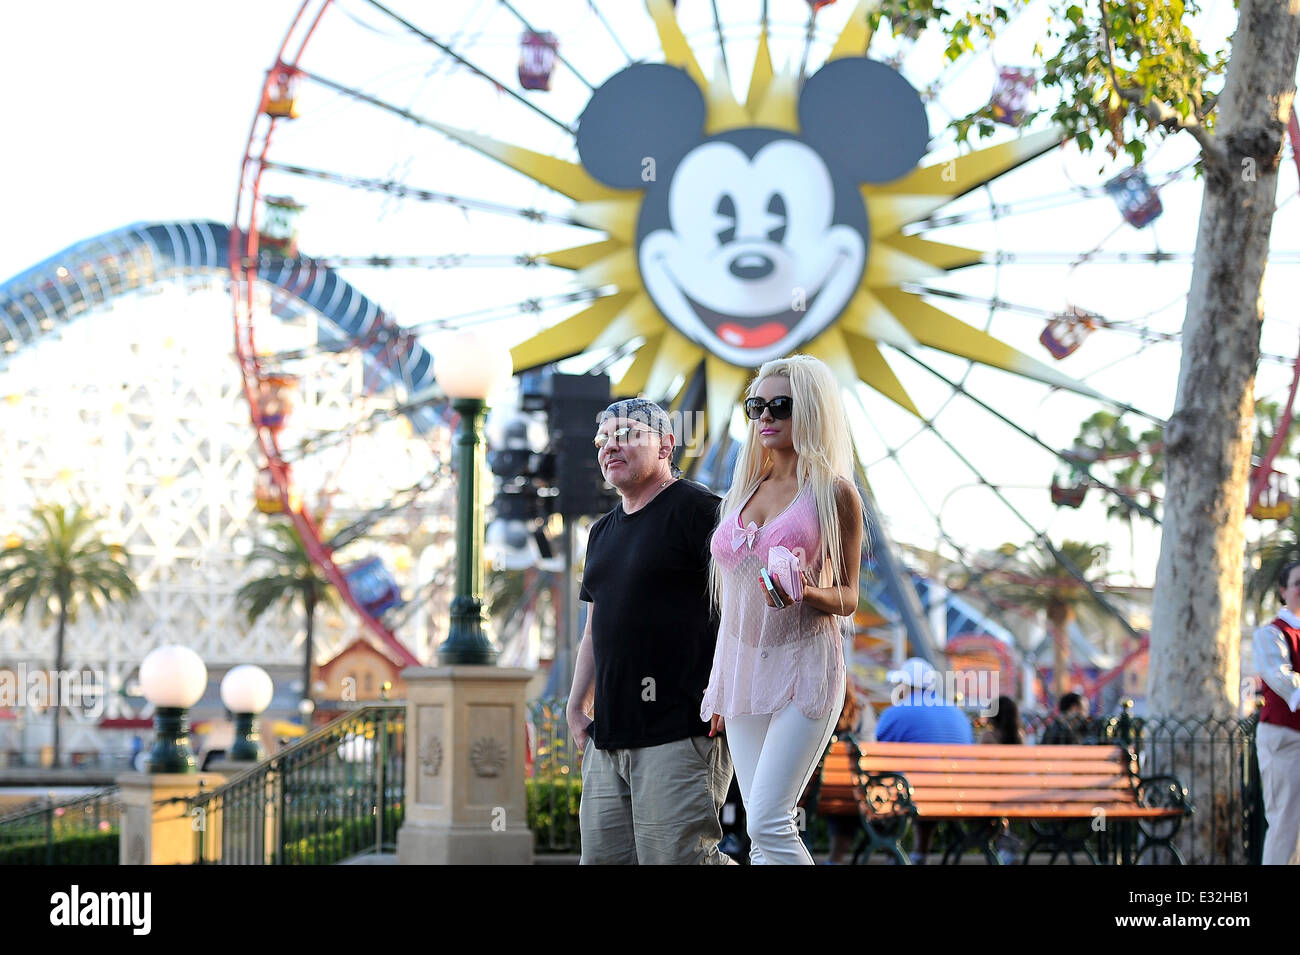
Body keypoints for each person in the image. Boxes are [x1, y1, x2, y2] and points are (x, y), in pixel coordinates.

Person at [701, 355, 862, 866]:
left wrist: (807, 592)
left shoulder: (834, 495)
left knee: (769, 817)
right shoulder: (743, 489)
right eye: (755, 406)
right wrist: (722, 681)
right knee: (758, 826)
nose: (765, 417)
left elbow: (849, 596)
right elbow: (733, 599)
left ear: (811, 411)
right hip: (742, 668)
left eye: (780, 406)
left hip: (805, 667)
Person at [567, 398, 734, 865]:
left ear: (665, 444)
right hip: (610, 734)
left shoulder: (702, 511)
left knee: (681, 859)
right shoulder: (601, 532)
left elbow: (743, 609)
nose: (610, 446)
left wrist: (725, 689)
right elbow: (594, 627)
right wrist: (577, 702)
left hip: (681, 728)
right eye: (603, 438)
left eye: (626, 434)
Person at [875, 657, 973, 862]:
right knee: (926, 783)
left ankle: (893, 856)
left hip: (913, 794)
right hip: (958, 795)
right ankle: (920, 854)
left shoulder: (896, 713)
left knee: (879, 789)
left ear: (907, 685)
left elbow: (876, 755)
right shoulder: (958, 714)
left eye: (898, 684)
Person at [1253, 560, 1300, 865]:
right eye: (1299, 583)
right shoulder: (1270, 633)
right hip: (1285, 739)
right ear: (1284, 591)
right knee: (1285, 825)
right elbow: (1280, 677)